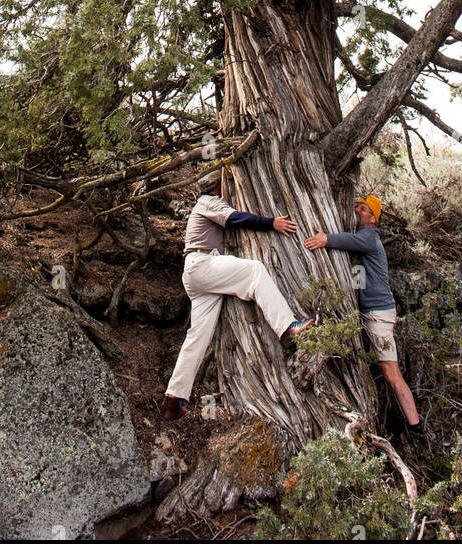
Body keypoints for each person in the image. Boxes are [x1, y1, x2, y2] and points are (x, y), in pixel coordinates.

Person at [160, 181, 314, 420]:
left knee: (197, 337)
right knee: (254, 270)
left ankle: (174, 399)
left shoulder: (203, 204)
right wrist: (271, 223)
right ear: (215, 188)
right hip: (202, 266)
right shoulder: (208, 202)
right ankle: (286, 327)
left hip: (199, 274)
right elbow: (235, 218)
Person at [305, 194, 425, 438]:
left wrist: (326, 238)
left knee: (391, 372)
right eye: (357, 207)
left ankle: (415, 428)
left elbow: (349, 241)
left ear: (373, 217)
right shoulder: (363, 239)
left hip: (379, 314)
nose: (358, 211)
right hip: (368, 312)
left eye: (363, 209)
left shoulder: (369, 237)